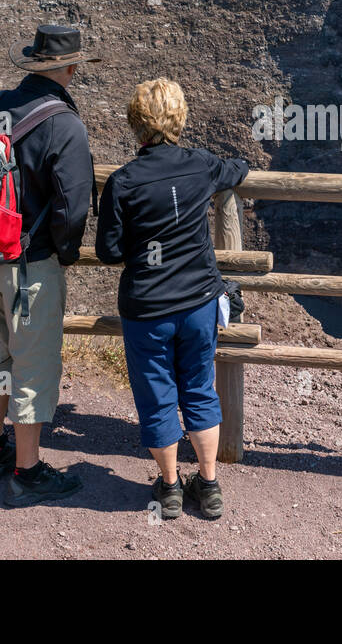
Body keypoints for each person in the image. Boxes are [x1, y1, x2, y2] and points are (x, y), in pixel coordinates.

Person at [95, 79, 249, 519]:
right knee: (200, 390)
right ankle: (210, 483)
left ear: (136, 123)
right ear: (179, 119)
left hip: (147, 310)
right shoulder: (201, 165)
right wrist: (236, 165)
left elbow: (108, 251)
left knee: (158, 396)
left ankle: (169, 487)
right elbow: (234, 170)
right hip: (200, 303)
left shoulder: (123, 182)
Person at [0, 24, 99, 508]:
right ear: (68, 68)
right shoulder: (63, 123)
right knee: (35, 365)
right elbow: (73, 204)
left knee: (9, 350)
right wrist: (64, 254)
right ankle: (27, 472)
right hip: (27, 264)